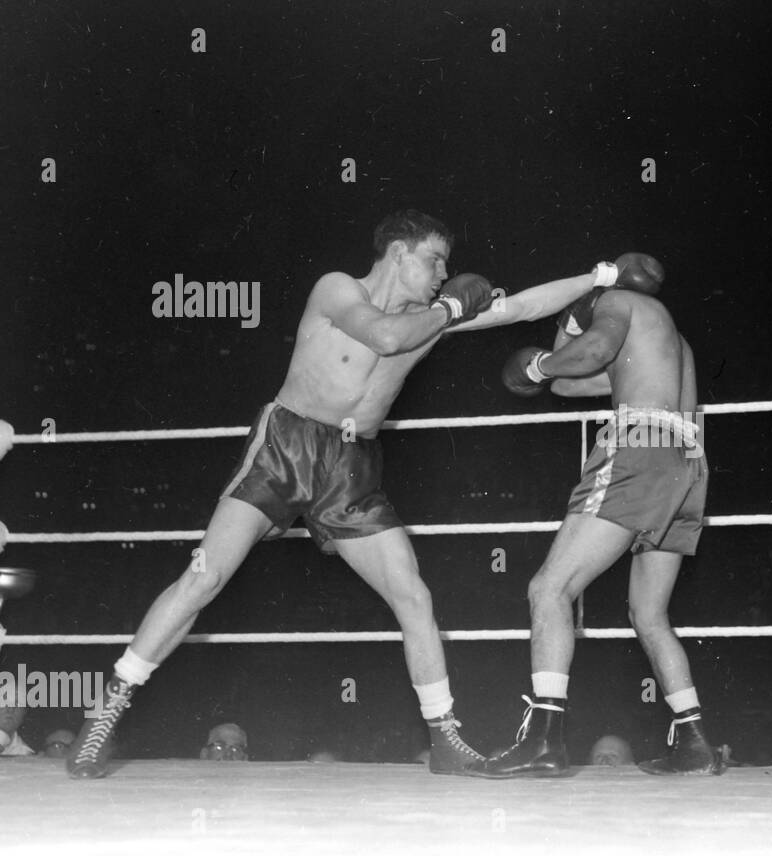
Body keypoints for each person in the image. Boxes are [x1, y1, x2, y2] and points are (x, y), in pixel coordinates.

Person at [66, 210, 613, 779]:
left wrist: (599, 278)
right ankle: (104, 717)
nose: (443, 272)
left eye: (446, 266)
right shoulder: (337, 289)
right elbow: (381, 335)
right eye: (434, 259)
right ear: (399, 253)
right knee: (205, 577)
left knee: (413, 595)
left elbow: (520, 306)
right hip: (287, 445)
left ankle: (446, 736)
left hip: (352, 466)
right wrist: (450, 306)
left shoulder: (428, 319)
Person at [473, 254, 722, 777]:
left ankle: (543, 738)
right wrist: (562, 346)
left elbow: (596, 349)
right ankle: (695, 740)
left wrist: (541, 361)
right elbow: (574, 382)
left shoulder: (618, 303)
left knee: (549, 589)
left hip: (639, 447)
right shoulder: (671, 341)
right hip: (688, 467)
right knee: (649, 615)